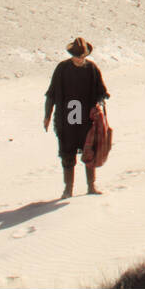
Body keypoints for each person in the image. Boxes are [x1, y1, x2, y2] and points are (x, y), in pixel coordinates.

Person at [44, 37, 110, 198]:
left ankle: (91, 186)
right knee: (67, 152)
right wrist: (47, 115)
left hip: (86, 119)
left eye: (82, 57)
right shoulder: (62, 69)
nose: (79, 59)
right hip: (66, 120)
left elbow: (101, 91)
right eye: (77, 56)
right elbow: (51, 94)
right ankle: (68, 189)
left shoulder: (91, 69)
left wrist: (100, 104)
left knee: (89, 151)